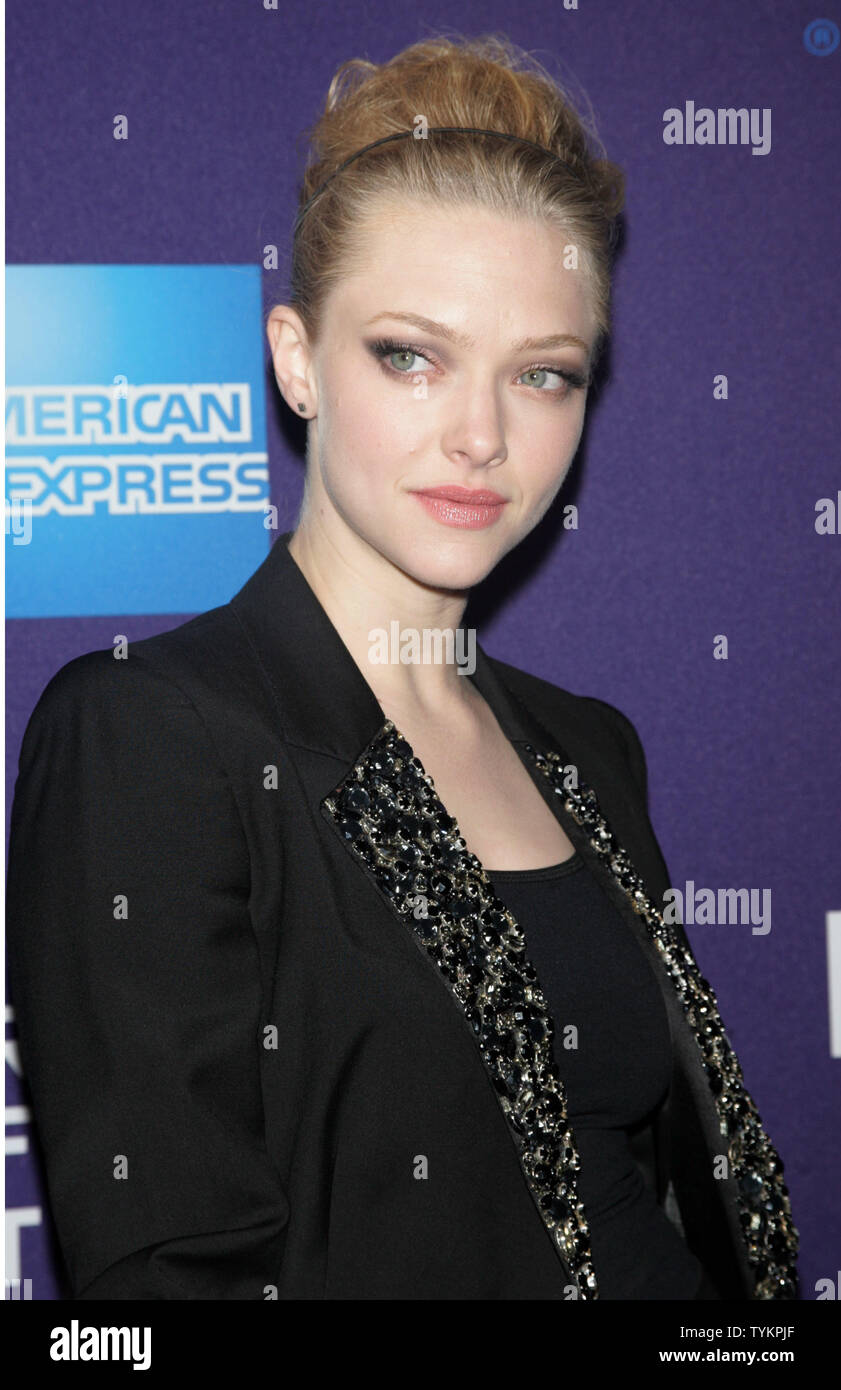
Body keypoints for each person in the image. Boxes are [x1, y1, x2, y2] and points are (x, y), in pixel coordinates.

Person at [6, 33, 799, 1301]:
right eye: (411, 355)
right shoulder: (149, 736)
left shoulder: (588, 748)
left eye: (542, 374)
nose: (481, 435)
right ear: (297, 359)